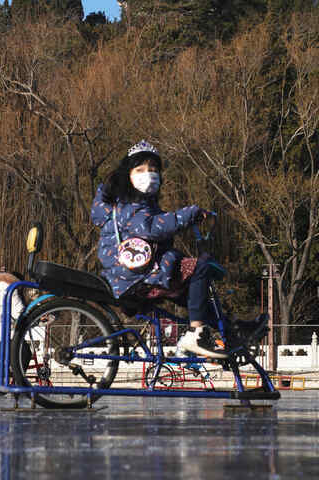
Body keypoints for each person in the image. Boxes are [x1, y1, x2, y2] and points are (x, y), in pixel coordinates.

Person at [92, 140, 225, 360]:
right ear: (128, 173)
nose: (149, 175)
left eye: (154, 170)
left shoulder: (131, 202)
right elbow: (150, 227)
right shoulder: (129, 203)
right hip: (134, 275)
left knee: (195, 296)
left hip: (135, 272)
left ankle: (226, 329)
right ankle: (196, 334)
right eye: (141, 170)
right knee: (201, 267)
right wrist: (188, 214)